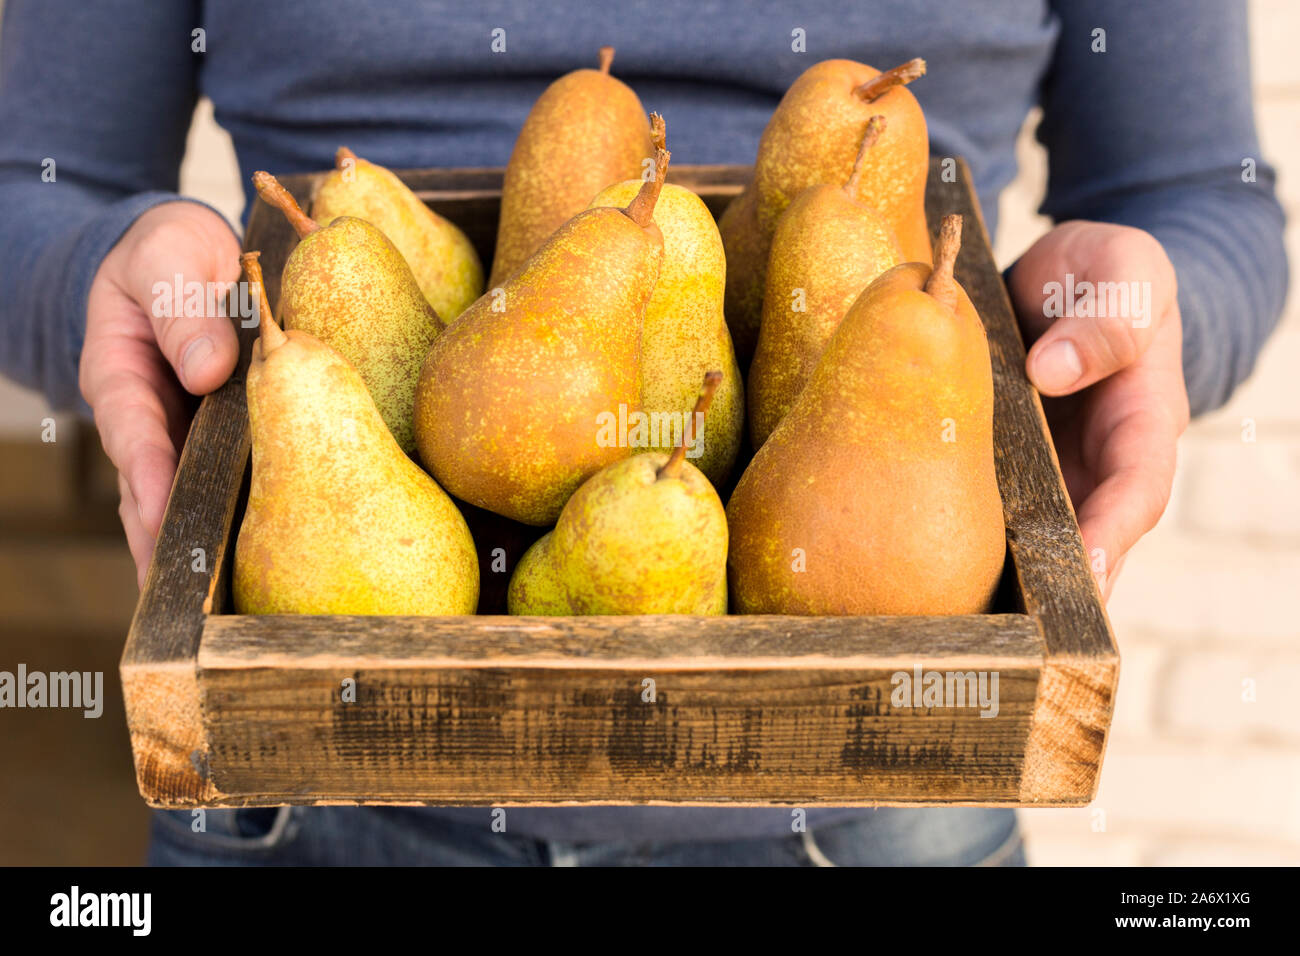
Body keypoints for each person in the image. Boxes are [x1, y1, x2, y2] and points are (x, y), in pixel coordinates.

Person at [0, 1, 1286, 867]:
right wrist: (96, 272)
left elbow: (1192, 194)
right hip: (312, 778)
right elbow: (32, 179)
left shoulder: (814, 305)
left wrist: (1140, 305)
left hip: (875, 790)